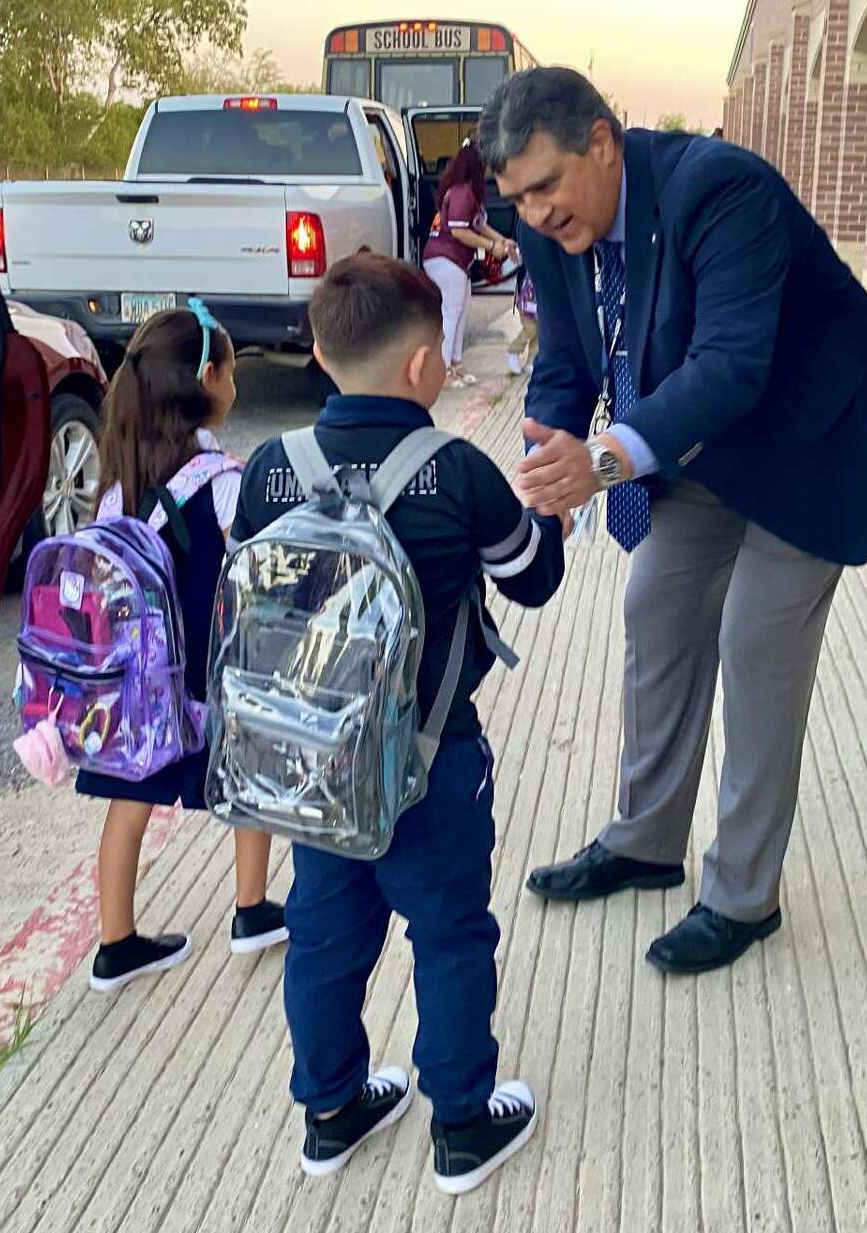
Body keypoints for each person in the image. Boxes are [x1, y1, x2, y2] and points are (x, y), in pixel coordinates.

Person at [484, 68, 867, 976]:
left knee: (756, 638)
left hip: (810, 437)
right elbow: (567, 357)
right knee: (657, 606)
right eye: (517, 198)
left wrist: (601, 463)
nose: (534, 214)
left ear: (601, 142)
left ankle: (741, 894)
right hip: (701, 442)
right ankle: (646, 842)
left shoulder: (720, 188)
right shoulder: (562, 229)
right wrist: (551, 459)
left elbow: (728, 364)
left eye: (546, 186)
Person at [226, 254, 565, 1194]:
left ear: (324, 356)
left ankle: (330, 1112)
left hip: (314, 762)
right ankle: (461, 1125)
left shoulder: (270, 471)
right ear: (423, 367)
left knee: (325, 935)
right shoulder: (457, 471)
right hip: (432, 759)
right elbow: (532, 580)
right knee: (451, 933)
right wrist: (548, 518)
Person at [81, 304, 286, 988]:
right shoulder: (220, 479)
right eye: (231, 369)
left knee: (128, 809)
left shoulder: (118, 484)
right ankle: (251, 911)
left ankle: (116, 944)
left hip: (135, 687)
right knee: (246, 777)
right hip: (205, 675)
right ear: (208, 377)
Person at [421, 141, 517, 388]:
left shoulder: (465, 192)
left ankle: (456, 363)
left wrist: (501, 240)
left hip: (453, 261)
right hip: (445, 259)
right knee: (451, 314)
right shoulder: (463, 192)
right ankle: (444, 371)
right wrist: (490, 246)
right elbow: (459, 232)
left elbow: (478, 224)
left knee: (460, 311)